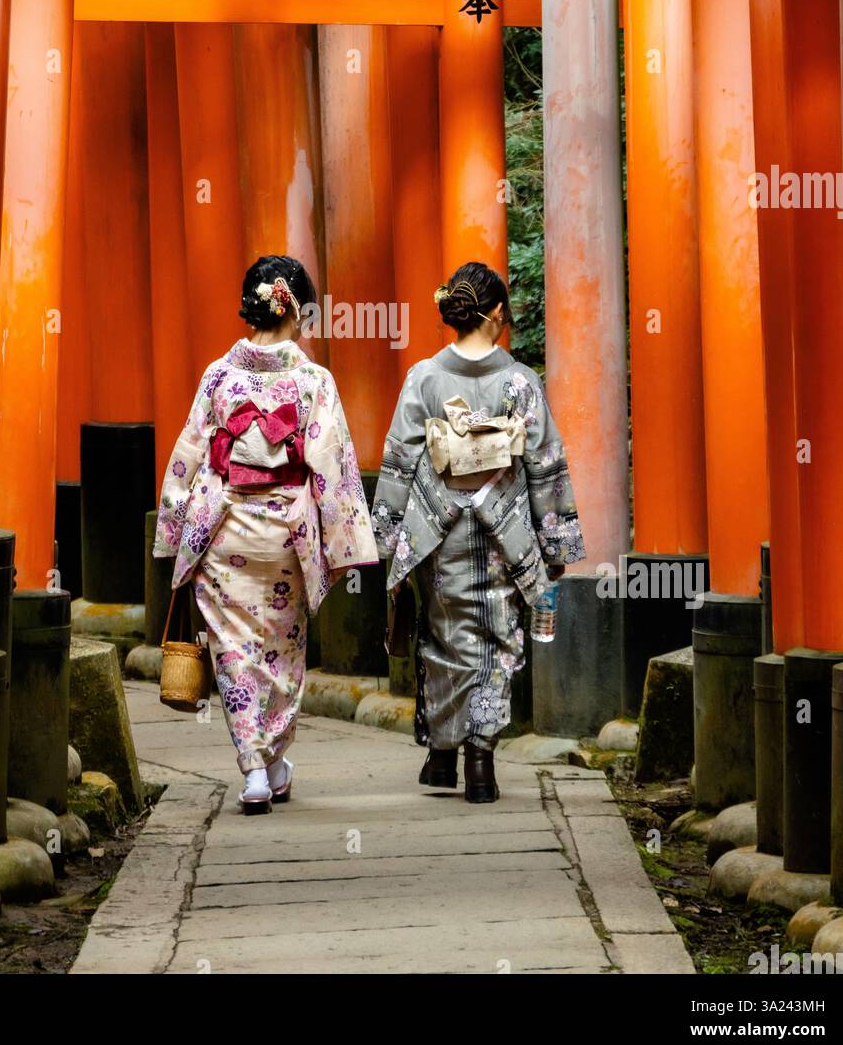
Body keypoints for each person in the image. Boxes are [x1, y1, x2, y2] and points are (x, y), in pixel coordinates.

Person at [153, 254, 376, 814]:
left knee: (232, 654)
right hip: (285, 539)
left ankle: (258, 768)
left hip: (223, 534)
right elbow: (333, 465)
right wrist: (345, 544)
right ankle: (268, 759)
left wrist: (173, 531)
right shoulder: (312, 381)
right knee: (282, 652)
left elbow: (188, 456)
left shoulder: (218, 376)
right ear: (297, 311)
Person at [371, 262, 585, 803]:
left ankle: (443, 755)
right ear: (495, 313)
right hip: (503, 534)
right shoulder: (519, 381)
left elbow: (398, 462)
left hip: (438, 535)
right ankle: (481, 763)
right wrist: (554, 543)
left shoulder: (423, 377)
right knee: (498, 638)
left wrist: (384, 535)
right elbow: (544, 464)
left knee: (445, 640)